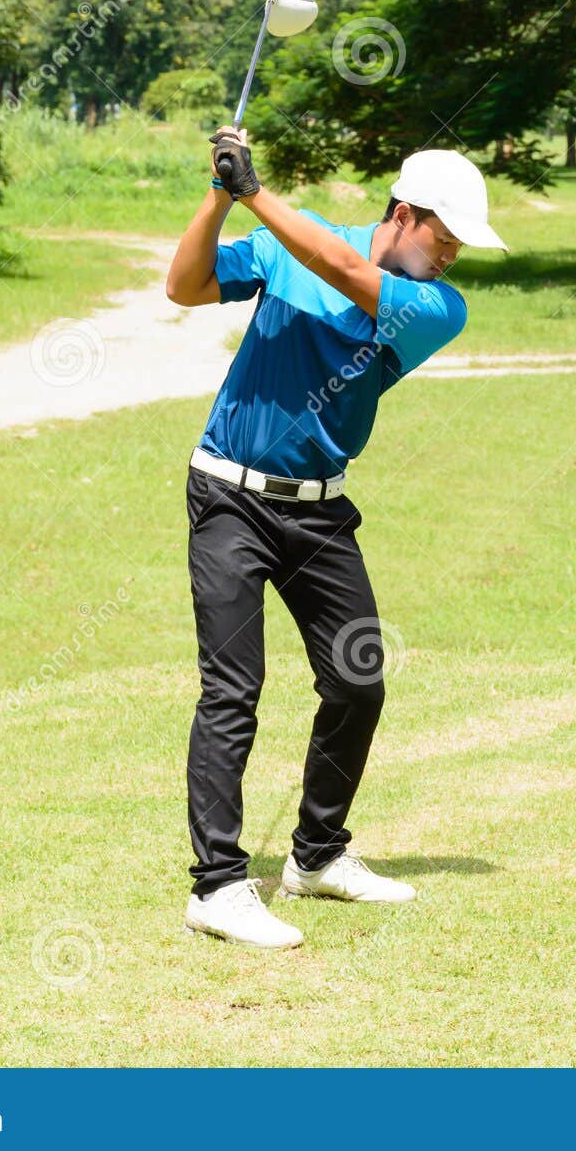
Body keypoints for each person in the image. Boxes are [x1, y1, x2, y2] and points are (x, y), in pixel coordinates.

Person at [164, 126, 508, 949]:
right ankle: (216, 886)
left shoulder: (436, 306)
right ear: (404, 212)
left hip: (319, 510)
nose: (454, 256)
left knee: (360, 679)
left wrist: (255, 193)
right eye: (446, 237)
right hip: (229, 496)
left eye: (462, 245)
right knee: (232, 688)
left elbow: (343, 271)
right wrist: (221, 194)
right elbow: (184, 285)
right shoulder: (293, 237)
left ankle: (314, 855)